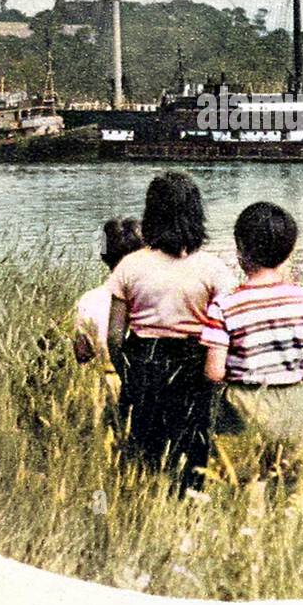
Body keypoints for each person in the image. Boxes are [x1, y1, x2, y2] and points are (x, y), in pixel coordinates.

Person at [105, 172, 235, 490]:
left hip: (144, 360)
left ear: (151, 215)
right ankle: (189, 503)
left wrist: (126, 371)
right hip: (193, 361)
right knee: (193, 443)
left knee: (143, 444)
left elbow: (113, 335)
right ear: (196, 214)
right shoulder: (214, 268)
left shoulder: (130, 265)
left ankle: (143, 503)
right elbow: (227, 329)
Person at [201, 202, 303, 483]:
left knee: (247, 485)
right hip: (293, 404)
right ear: (289, 251)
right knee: (292, 488)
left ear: (240, 251)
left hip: (244, 405)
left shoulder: (225, 305)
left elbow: (214, 372)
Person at [71, 217, 145, 402]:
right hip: (148, 390)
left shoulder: (88, 301)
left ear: (105, 257)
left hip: (107, 390)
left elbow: (82, 356)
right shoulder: (155, 296)